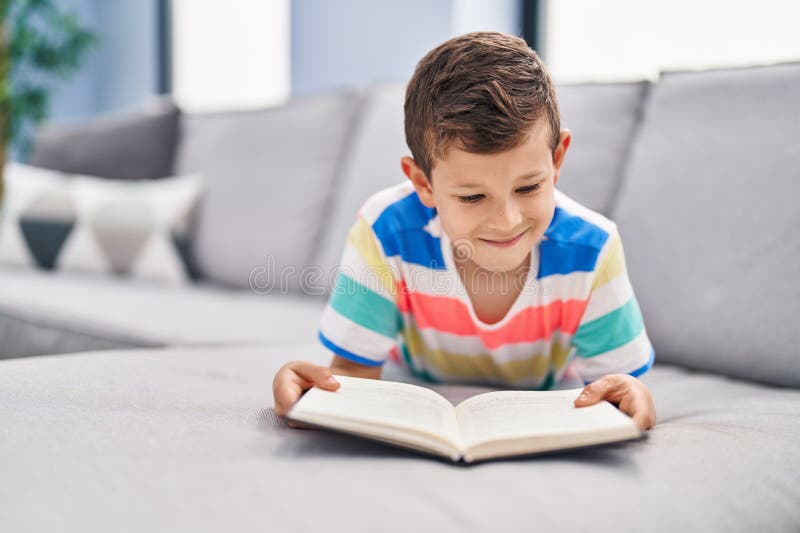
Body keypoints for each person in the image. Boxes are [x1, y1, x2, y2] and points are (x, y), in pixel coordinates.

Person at [273, 32, 656, 430]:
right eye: (473, 197)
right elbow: (352, 373)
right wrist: (312, 396)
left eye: (528, 188)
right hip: (417, 382)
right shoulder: (385, 231)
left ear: (557, 159)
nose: (507, 221)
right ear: (423, 184)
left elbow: (616, 387)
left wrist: (632, 396)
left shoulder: (593, 249)